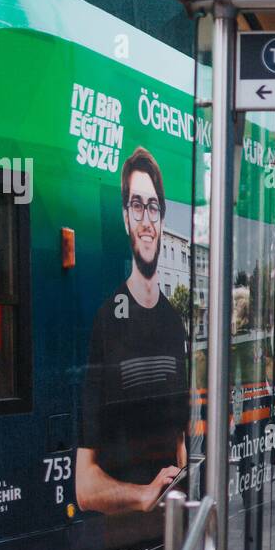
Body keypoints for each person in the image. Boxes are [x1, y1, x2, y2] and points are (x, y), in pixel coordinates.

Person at [77, 147, 189, 517]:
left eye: (153, 207)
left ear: (161, 217)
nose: (146, 220)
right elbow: (84, 486)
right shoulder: (106, 321)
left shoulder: (174, 324)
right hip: (120, 541)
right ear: (126, 218)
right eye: (137, 206)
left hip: (172, 529)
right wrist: (142, 494)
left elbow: (179, 442)